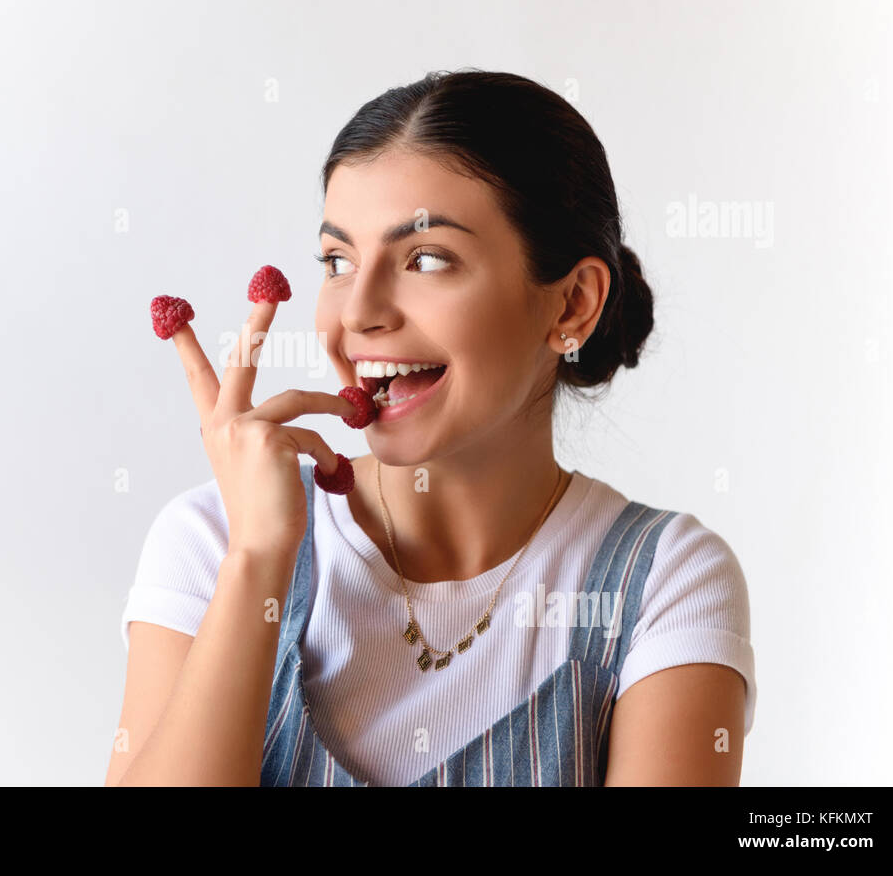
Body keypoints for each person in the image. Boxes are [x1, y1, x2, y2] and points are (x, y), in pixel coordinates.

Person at [107, 69, 755, 786]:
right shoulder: (212, 539)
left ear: (572, 304)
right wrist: (257, 556)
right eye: (339, 261)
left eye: (425, 259)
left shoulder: (664, 580)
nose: (358, 312)